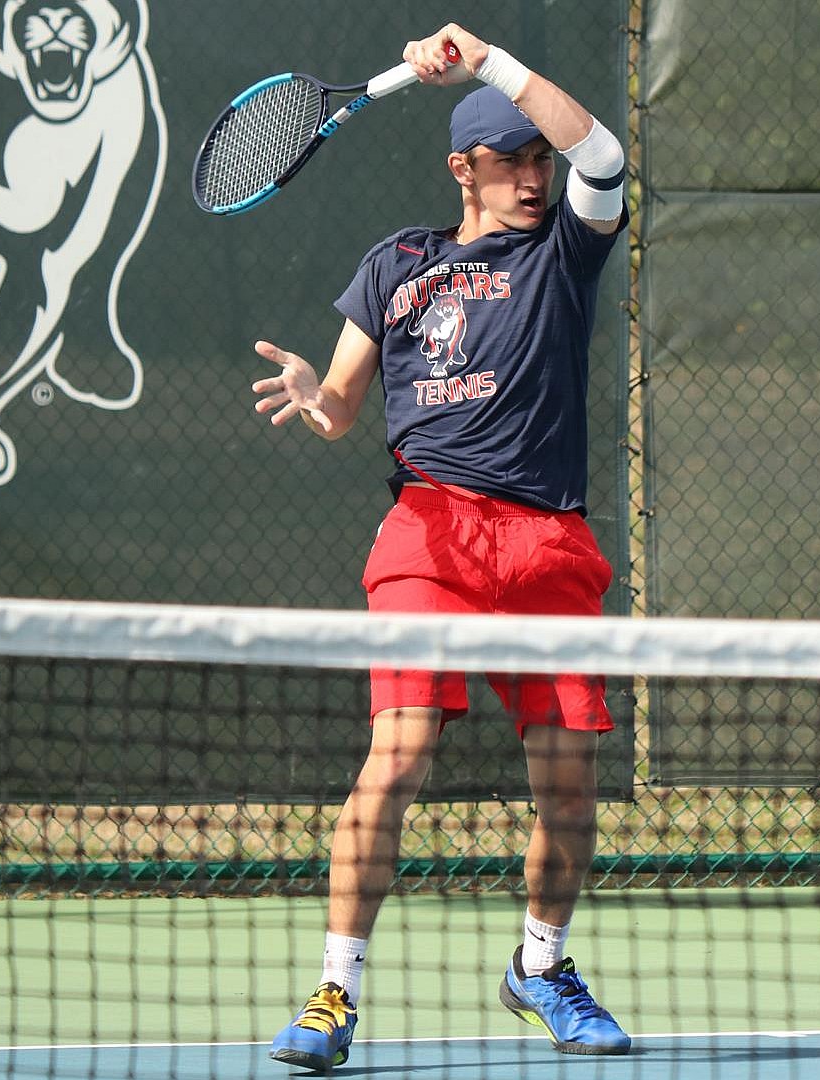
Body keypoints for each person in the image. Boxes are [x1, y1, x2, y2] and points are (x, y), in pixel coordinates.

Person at [251, 22, 631, 1074]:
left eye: (540, 158)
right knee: (400, 754)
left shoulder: (564, 251)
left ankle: (541, 967)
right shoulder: (398, 265)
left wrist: (487, 61)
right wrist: (314, 395)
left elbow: (604, 156)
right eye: (512, 159)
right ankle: (335, 992)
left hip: (547, 540)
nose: (534, 176)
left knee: (569, 785)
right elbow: (340, 409)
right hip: (429, 532)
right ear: (463, 168)